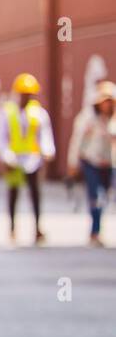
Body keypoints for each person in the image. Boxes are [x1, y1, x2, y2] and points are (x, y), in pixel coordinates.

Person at [0, 73, 56, 245]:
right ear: (17, 94)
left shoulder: (39, 113)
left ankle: (37, 228)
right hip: (13, 161)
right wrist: (6, 156)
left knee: (35, 194)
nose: (26, 97)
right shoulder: (7, 112)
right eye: (24, 94)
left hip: (33, 161)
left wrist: (48, 151)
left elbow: (45, 136)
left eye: (29, 94)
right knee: (13, 194)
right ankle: (12, 228)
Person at [66, 79, 116, 247]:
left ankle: (97, 229)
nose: (107, 105)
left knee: (105, 197)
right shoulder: (88, 118)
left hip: (108, 163)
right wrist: (73, 163)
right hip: (91, 162)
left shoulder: (112, 120)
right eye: (105, 101)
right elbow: (77, 141)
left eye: (110, 101)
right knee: (95, 196)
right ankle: (95, 232)